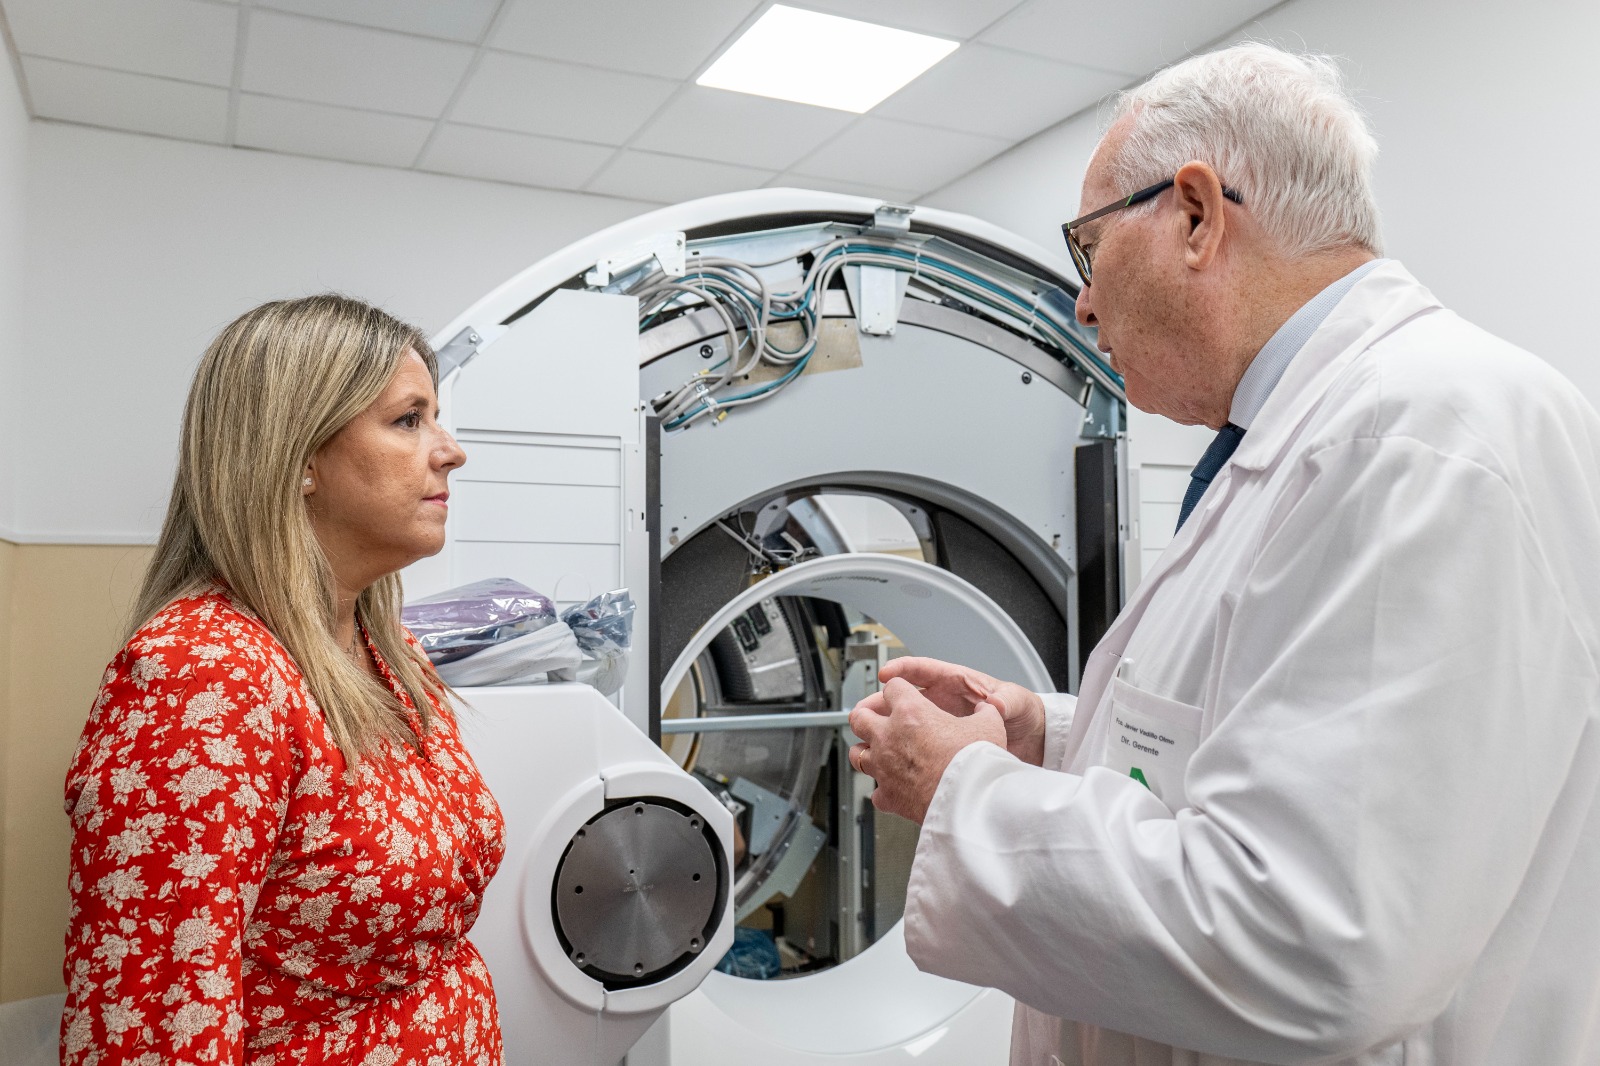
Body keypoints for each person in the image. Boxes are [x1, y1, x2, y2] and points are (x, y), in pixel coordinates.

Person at [848, 43, 1600, 1065]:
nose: (1079, 304)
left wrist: (965, 791)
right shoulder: (1310, 434)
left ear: (1195, 215)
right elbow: (1275, 743)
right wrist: (1050, 737)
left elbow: (1309, 941)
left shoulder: (1415, 439)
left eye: (1086, 249)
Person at [59, 295, 504, 1064]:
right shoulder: (206, 677)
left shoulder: (387, 648)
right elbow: (154, 1024)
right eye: (409, 420)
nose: (450, 450)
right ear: (298, 458)